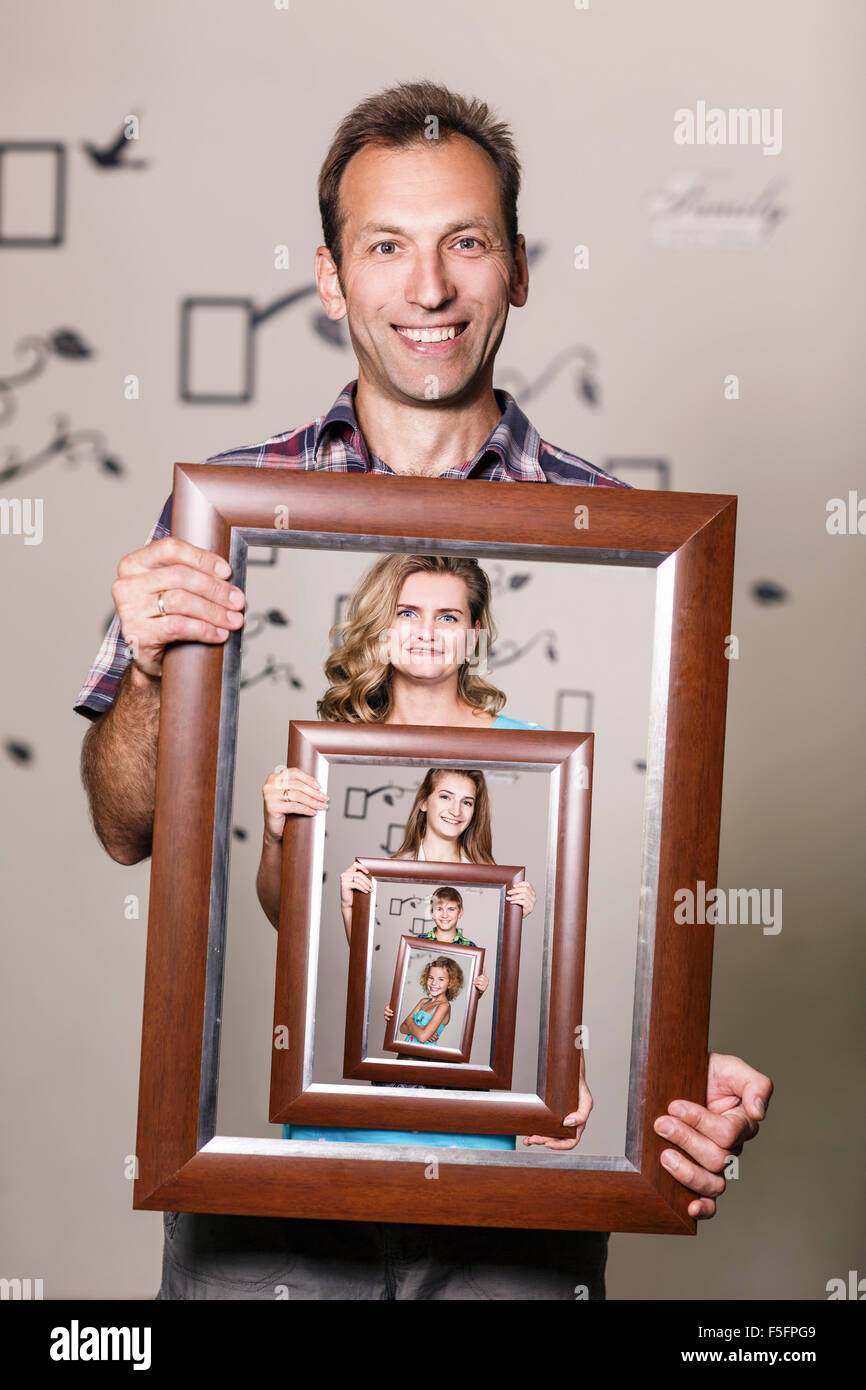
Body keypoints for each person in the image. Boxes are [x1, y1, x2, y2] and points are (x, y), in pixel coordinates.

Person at [75, 79, 772, 1299]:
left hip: (526, 1186)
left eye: (466, 242)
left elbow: (609, 884)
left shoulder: (618, 536)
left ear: (516, 265)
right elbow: (125, 827)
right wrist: (146, 669)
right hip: (268, 1190)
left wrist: (667, 1067)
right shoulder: (227, 512)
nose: (429, 287)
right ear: (330, 277)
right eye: (384, 246)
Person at [265, 555, 562, 1153]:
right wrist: (275, 838)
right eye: (406, 612)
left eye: (448, 615)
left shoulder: (533, 751)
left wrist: (562, 1073)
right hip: (339, 1113)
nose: (426, 631)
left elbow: (556, 948)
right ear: (380, 625)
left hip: (473, 1111)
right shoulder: (332, 752)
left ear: (474, 634)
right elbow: (285, 918)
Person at [398, 957, 463, 1047]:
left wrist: (409, 1022)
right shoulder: (423, 1002)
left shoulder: (444, 1006)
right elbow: (402, 1029)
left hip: (422, 1056)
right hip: (404, 1051)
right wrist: (420, 1029)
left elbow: (422, 1037)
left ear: (451, 983)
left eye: (441, 979)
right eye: (431, 978)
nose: (433, 983)